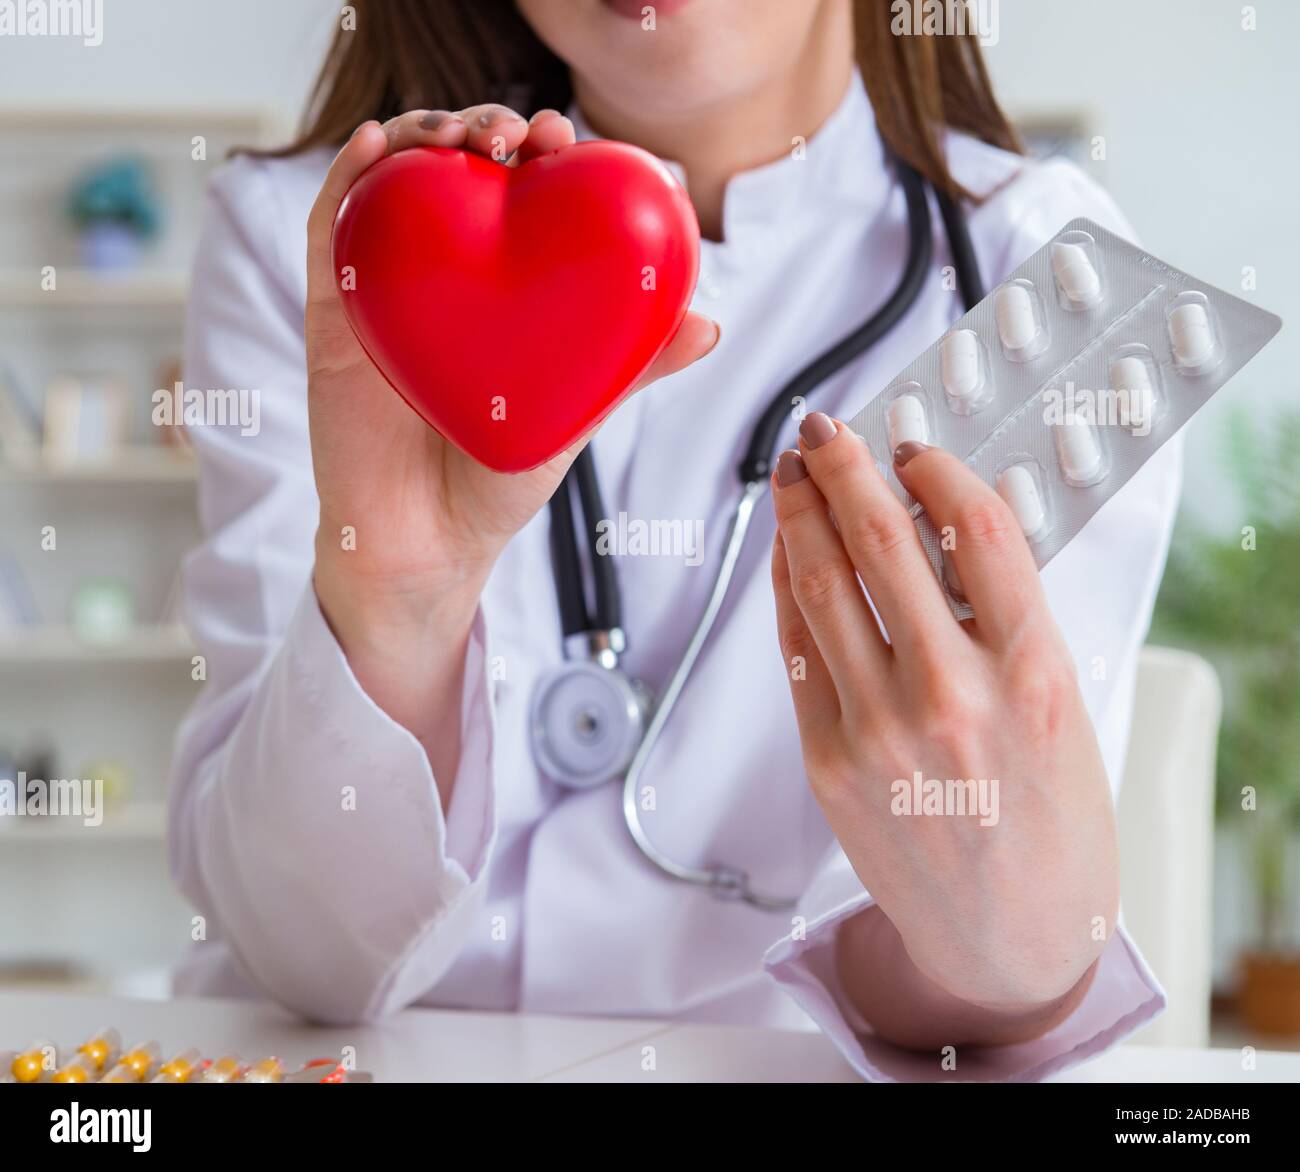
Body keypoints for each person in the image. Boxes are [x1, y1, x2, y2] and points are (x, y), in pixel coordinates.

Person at [171, 0, 1179, 1081]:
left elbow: (950, 979)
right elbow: (296, 959)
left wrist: (1009, 945)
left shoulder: (1049, 286)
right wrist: (395, 597)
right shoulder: (336, 239)